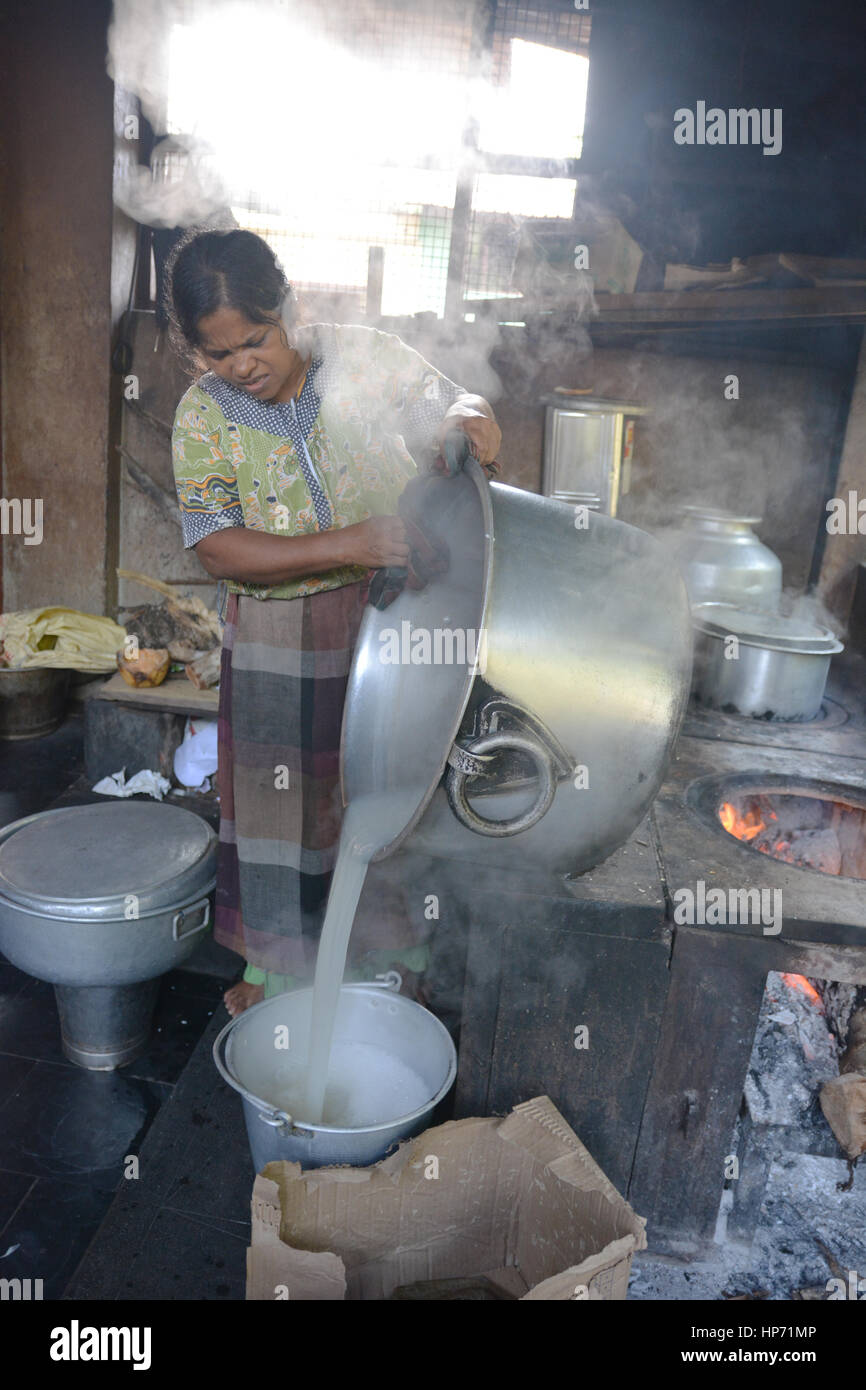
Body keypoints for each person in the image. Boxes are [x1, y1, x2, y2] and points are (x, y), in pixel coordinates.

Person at [167, 229, 501, 1016]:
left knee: (388, 788)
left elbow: (449, 401)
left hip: (397, 612)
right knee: (286, 807)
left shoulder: (361, 358)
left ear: (289, 310)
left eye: (255, 340)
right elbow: (216, 548)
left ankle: (394, 958)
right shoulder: (202, 416)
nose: (241, 366)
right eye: (219, 356)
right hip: (282, 633)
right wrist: (349, 541)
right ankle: (283, 973)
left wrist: (469, 410)